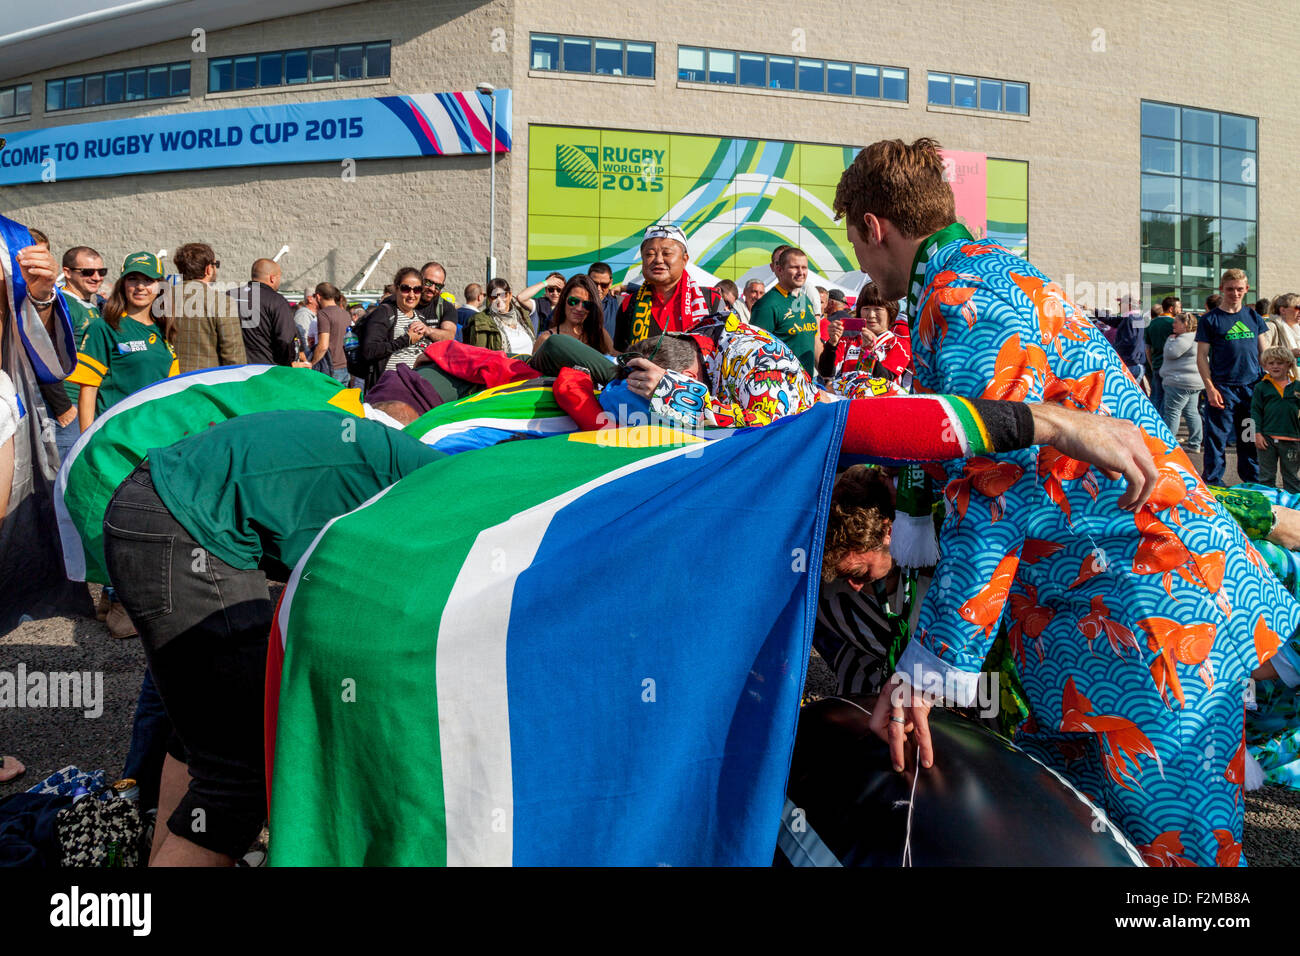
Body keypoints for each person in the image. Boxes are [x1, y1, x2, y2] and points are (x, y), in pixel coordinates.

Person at [832, 136, 1296, 866]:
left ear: (871, 225)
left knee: (1177, 868)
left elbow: (996, 489)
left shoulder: (962, 299)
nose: (858, 263)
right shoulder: (988, 276)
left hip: (1144, 619)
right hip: (1105, 619)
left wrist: (930, 664)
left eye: (853, 241)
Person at [101, 409, 445, 866]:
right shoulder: (437, 505)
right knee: (239, 778)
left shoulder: (423, 470)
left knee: (206, 739)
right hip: (185, 525)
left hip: (154, 503)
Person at [66, 252, 179, 639]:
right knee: (118, 519)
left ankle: (112, 598)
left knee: (145, 517)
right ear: (123, 284)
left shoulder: (164, 329)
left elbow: (170, 390)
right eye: (133, 279)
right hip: (115, 443)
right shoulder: (105, 327)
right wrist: (87, 439)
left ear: (159, 287)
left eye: (148, 280)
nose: (140, 286)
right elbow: (88, 388)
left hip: (153, 441)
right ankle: (118, 601)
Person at [1196, 268, 1268, 485]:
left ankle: (1251, 482)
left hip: (1250, 389)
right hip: (1223, 389)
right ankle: (1214, 483)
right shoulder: (1210, 320)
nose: (1235, 294)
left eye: (1239, 289)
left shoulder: (1253, 317)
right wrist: (1210, 388)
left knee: (1248, 439)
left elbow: (1264, 352)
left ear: (1246, 289)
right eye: (1230, 289)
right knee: (1216, 439)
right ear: (1221, 289)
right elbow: (1201, 357)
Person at [613, 224, 727, 351]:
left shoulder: (710, 300)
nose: (658, 260)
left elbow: (725, 352)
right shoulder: (628, 304)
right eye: (650, 254)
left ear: (685, 259)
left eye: (666, 253)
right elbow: (621, 354)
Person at [41, 245, 105, 461]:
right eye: (87, 272)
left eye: (101, 272)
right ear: (67, 272)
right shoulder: (62, 304)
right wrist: (63, 407)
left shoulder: (89, 305)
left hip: (87, 403)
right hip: (69, 406)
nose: (96, 277)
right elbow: (44, 354)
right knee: (64, 473)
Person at [819, 281, 911, 393]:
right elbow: (826, 373)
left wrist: (869, 353)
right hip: (847, 404)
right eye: (866, 308)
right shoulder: (847, 341)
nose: (871, 315)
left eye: (878, 309)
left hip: (882, 404)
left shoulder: (899, 344)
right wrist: (831, 344)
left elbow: (885, 378)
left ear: (890, 312)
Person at [746, 246, 823, 375]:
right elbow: (754, 352)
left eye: (804, 267)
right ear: (779, 270)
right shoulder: (766, 305)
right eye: (794, 267)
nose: (800, 272)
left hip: (808, 386)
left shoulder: (806, 300)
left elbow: (815, 342)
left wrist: (827, 377)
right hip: (780, 387)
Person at [170, 242, 245, 374]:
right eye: (215, 265)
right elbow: (234, 357)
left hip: (168, 381)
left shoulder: (162, 299)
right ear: (208, 269)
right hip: (207, 383)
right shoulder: (222, 302)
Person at [359, 267, 437, 382]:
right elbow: (370, 351)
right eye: (405, 289)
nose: (411, 295)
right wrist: (406, 340)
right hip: (388, 386)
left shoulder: (420, 317)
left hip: (414, 385)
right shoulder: (384, 313)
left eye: (417, 289)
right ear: (396, 289)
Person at [230, 259, 300, 367]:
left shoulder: (228, 296)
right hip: (264, 369)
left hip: (230, 368)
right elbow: (286, 339)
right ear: (272, 278)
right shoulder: (277, 301)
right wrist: (287, 364)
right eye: (279, 277)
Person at [1253, 346, 1300, 492]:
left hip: (1293, 439)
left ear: (1289, 365)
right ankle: (1267, 508)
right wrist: (1257, 434)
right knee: (1266, 477)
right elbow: (1255, 411)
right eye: (1271, 363)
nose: (1275, 366)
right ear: (1265, 366)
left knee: (1292, 477)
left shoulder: (1297, 386)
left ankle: (1294, 510)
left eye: (1280, 363)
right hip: (1267, 438)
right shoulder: (1261, 387)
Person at [533, 274, 613, 356]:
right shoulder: (546, 338)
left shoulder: (600, 334)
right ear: (564, 300)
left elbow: (614, 363)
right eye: (573, 301)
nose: (579, 308)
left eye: (587, 304)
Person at [1161, 310, 1203, 453]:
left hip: (1179, 381)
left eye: (1176, 322)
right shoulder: (1197, 337)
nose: (1173, 324)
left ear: (1185, 324)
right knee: (1192, 412)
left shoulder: (1184, 338)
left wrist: (1170, 339)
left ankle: (1168, 444)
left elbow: (1171, 353)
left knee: (1172, 412)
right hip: (1194, 381)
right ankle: (1195, 444)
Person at [462, 277, 536, 355]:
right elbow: (478, 356)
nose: (499, 300)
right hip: (502, 366)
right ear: (489, 299)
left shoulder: (523, 315)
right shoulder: (481, 321)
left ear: (510, 295)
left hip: (529, 366)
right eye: (494, 297)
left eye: (503, 295)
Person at [311, 282, 351, 384]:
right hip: (345, 365)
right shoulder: (346, 314)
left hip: (330, 367)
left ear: (318, 296)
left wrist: (312, 363)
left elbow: (323, 346)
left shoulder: (323, 314)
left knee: (326, 399)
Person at [1146, 296, 1177, 416]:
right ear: (1171, 308)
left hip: (1156, 364)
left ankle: (1151, 422)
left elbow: (1147, 348)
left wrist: (1151, 364)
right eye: (1178, 307)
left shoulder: (1151, 324)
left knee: (1155, 395)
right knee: (1167, 398)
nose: (1180, 310)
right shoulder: (1174, 323)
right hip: (1171, 367)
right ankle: (1163, 427)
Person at [416, 261, 459, 338]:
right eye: (428, 282)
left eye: (438, 286)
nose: (432, 288)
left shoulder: (445, 307)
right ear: (419, 278)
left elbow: (449, 335)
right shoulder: (400, 302)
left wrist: (427, 330)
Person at [1261, 293, 1300, 358]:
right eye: (1298, 308)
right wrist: (1290, 353)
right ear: (1283, 310)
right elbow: (1263, 354)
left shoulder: (1297, 329)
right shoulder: (1271, 327)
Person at [588, 261, 619, 340]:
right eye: (594, 284)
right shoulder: (576, 304)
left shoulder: (618, 303)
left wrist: (625, 287)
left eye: (604, 285)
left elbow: (651, 291)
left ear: (610, 283)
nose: (598, 289)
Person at [292, 288, 317, 362]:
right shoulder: (303, 315)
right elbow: (303, 340)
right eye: (317, 296)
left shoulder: (311, 315)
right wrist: (308, 360)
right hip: (308, 359)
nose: (320, 299)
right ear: (310, 299)